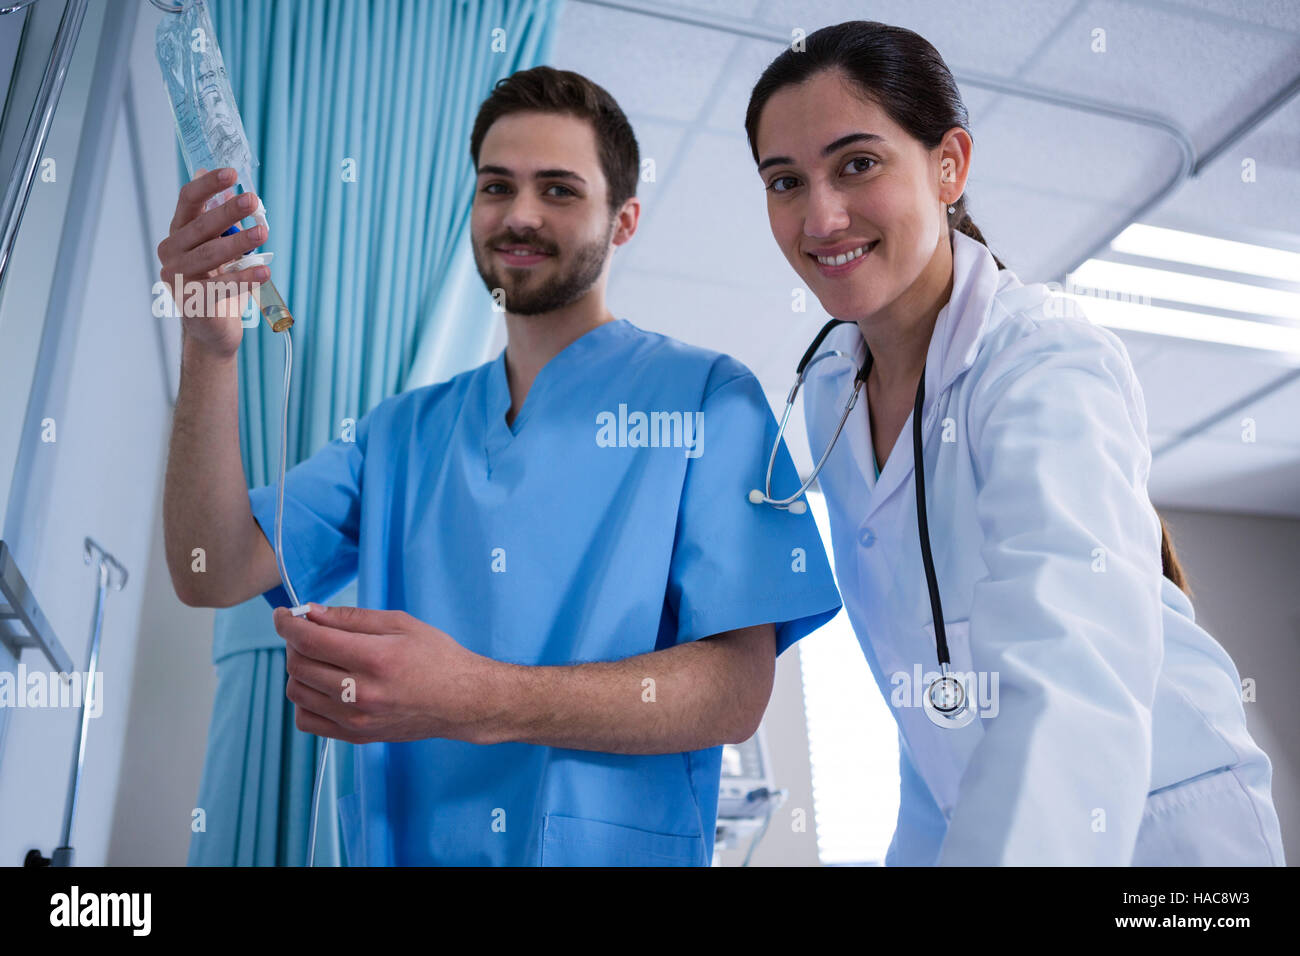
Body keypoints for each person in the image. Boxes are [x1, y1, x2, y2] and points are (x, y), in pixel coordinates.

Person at [157, 66, 841, 866]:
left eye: (558, 189)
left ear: (622, 222)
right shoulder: (400, 434)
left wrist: (477, 698)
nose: (519, 215)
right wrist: (209, 353)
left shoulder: (709, 401)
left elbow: (735, 692)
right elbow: (211, 568)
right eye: (495, 187)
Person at [744, 20, 1284, 866]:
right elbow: (930, 704)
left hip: (1167, 838)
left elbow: (1068, 675)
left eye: (857, 163)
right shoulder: (829, 395)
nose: (820, 214)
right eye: (785, 180)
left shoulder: (1042, 360)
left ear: (949, 164)